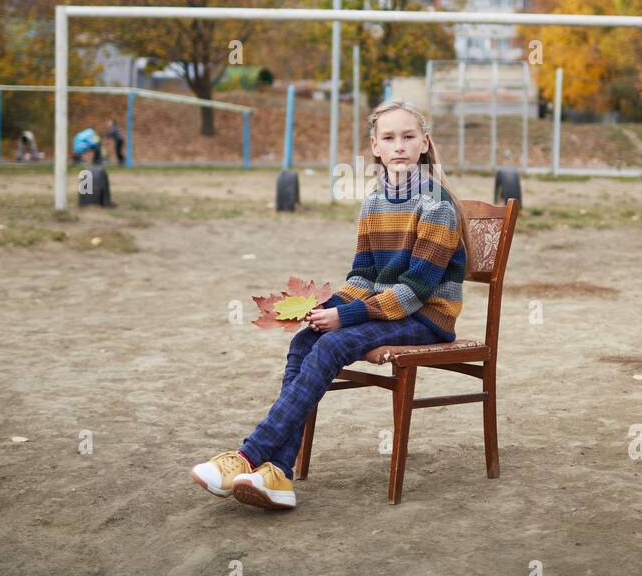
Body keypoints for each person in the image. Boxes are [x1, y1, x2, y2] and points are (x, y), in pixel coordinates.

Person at [191, 99, 470, 510]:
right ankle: (279, 474)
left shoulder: (437, 206)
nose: (399, 146)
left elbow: (414, 292)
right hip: (387, 310)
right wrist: (326, 309)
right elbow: (362, 277)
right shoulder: (374, 203)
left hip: (427, 317)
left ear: (424, 143)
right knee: (308, 339)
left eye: (408, 137)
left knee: (335, 344)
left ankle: (248, 455)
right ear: (374, 147)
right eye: (388, 138)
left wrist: (348, 316)